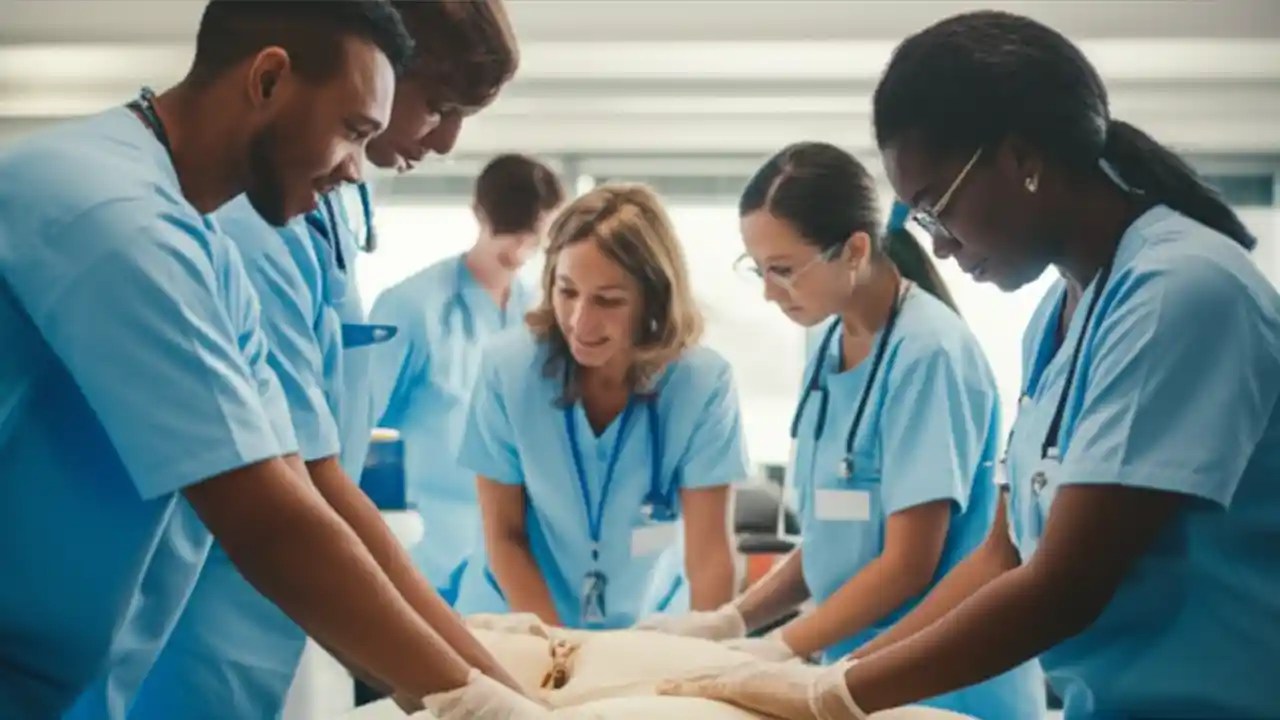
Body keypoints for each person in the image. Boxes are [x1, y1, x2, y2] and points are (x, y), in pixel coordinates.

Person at [661, 10, 1280, 720]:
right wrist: (834, 672)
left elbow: (1065, 585)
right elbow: (1002, 554)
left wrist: (830, 694)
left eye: (935, 208)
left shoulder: (1181, 292)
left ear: (1022, 160)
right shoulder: (1058, 318)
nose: (938, 246)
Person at [0, 2, 542, 718]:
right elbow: (267, 519)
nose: (354, 169)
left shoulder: (207, 249)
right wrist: (479, 706)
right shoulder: (116, 220)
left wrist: (493, 693)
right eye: (353, 131)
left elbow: (296, 477)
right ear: (268, 80)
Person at [637, 142, 1043, 720]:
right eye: (758, 269)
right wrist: (732, 622)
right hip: (852, 676)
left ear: (854, 250)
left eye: (783, 270)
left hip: (940, 686)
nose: (768, 291)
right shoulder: (831, 344)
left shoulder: (928, 355)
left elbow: (907, 564)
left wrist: (781, 647)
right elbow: (835, 543)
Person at [453, 183, 749, 629]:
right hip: (517, 620)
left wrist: (705, 651)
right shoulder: (509, 370)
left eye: (608, 300)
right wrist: (561, 649)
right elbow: (505, 536)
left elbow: (709, 556)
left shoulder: (702, 384)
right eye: (567, 291)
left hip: (649, 626)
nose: (580, 322)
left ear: (653, 298)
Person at [368, 153, 565, 606]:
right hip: (424, 555)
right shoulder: (411, 308)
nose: (519, 248)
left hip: (514, 560)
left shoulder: (544, 318)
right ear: (478, 214)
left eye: (533, 235)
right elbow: (355, 435)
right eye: (509, 232)